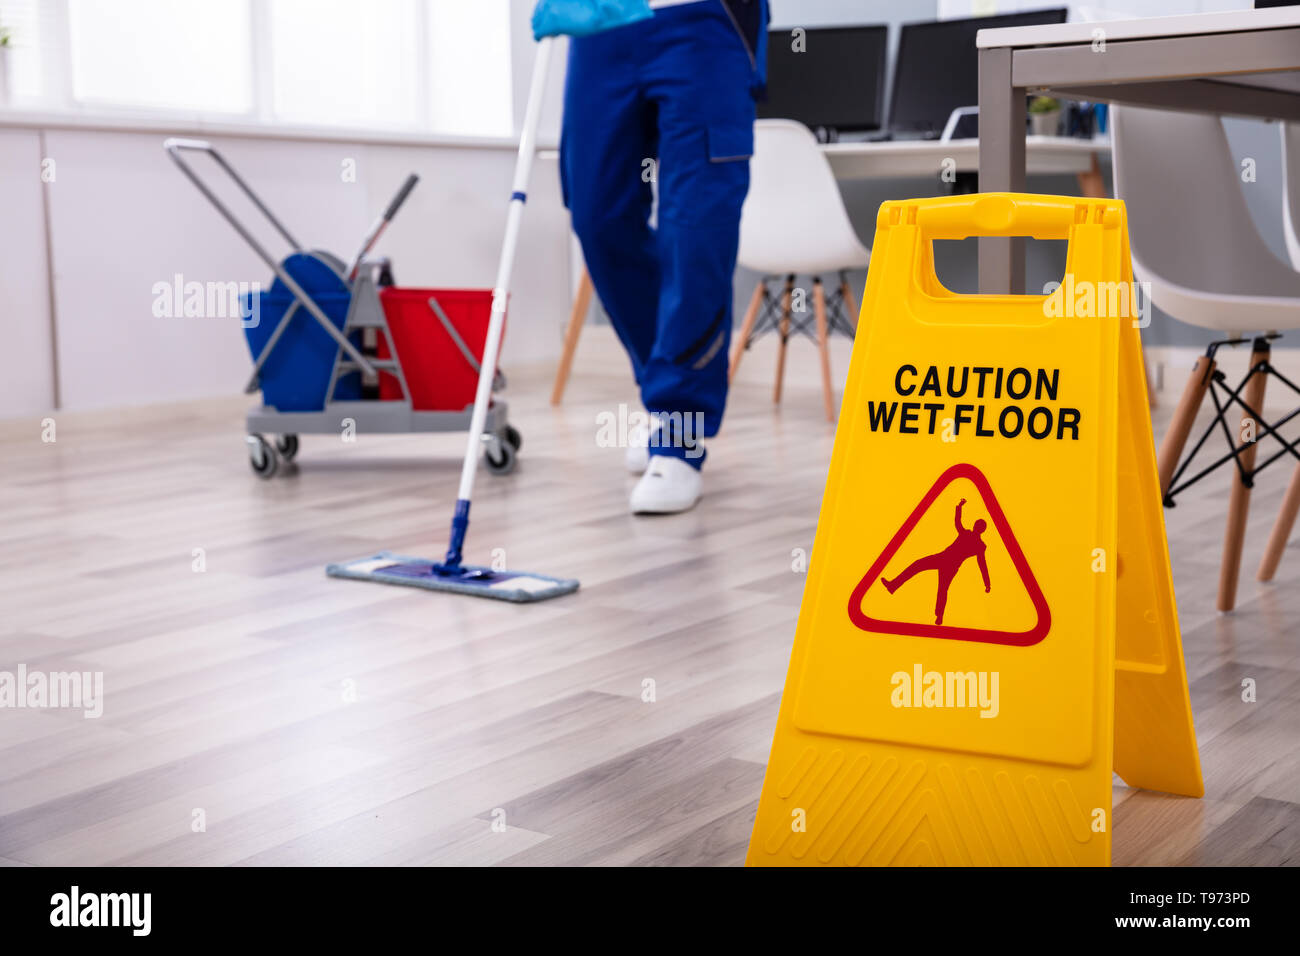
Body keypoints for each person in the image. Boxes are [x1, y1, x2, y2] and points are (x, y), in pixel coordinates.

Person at [560, 0, 769, 514]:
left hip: (703, 21)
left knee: (695, 229)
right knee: (597, 216)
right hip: (600, 21)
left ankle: (680, 428)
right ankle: (667, 390)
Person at [881, 498, 991, 625]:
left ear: (979, 528)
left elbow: (982, 564)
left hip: (946, 560)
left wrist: (959, 506)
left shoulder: (971, 539)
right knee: (937, 584)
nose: (975, 526)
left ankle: (938, 615)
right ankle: (938, 615)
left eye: (977, 525)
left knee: (932, 579)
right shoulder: (979, 544)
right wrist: (987, 584)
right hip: (948, 562)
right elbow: (982, 565)